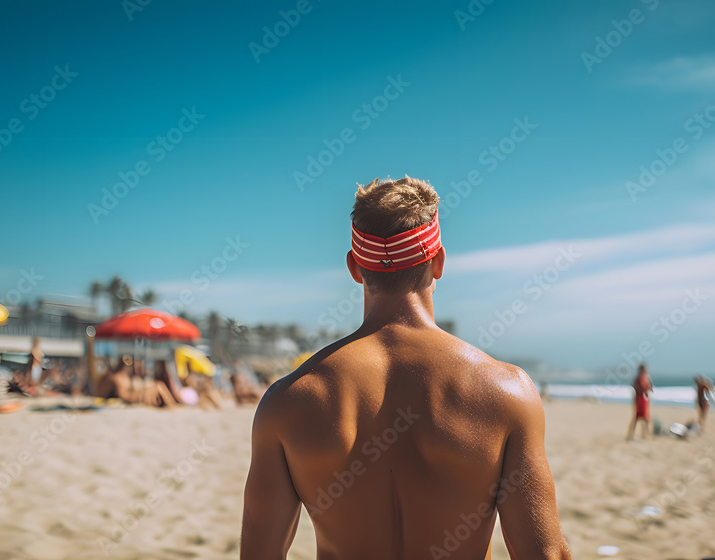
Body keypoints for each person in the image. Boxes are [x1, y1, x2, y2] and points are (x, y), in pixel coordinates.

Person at [239, 177, 571, 559]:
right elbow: (544, 554)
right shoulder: (507, 391)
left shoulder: (287, 401)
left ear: (354, 267)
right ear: (439, 261)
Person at [626, 364, 652, 441]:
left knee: (646, 418)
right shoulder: (638, 379)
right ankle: (631, 435)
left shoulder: (646, 378)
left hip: (644, 400)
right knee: (637, 418)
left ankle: (644, 434)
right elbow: (636, 389)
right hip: (639, 400)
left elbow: (650, 388)